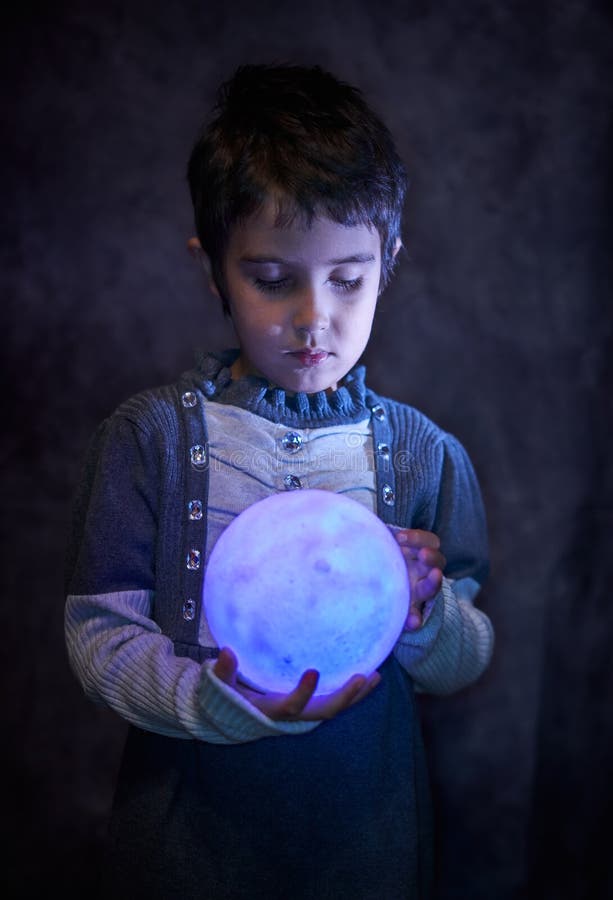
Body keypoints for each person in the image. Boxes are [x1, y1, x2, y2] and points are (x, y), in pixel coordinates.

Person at [65, 63, 494, 900]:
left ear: (389, 262)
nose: (313, 318)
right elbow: (97, 633)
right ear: (213, 270)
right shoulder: (149, 439)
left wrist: (421, 611)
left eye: (347, 278)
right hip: (186, 848)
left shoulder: (420, 453)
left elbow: (464, 656)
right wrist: (214, 701)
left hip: (364, 846)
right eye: (271, 279)